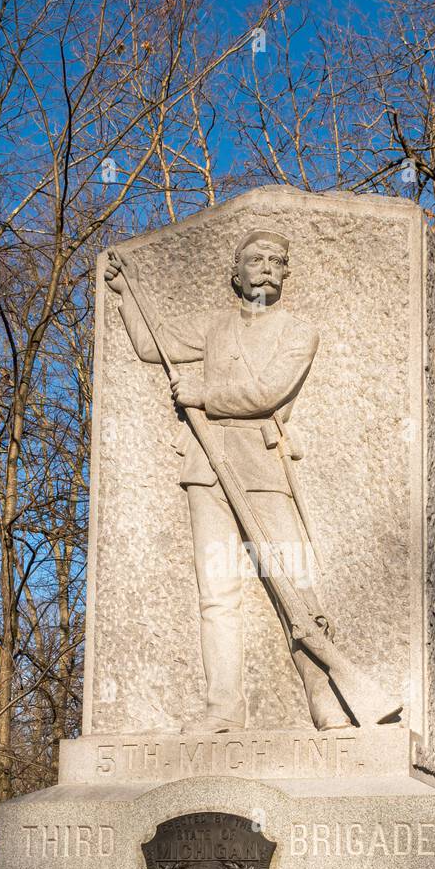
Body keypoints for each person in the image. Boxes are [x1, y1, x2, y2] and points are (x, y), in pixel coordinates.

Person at [105, 227, 351, 732]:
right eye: (254, 258)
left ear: (285, 273)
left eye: (275, 259)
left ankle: (326, 701)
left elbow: (266, 392)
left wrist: (201, 393)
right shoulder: (215, 327)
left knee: (294, 590)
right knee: (217, 594)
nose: (265, 265)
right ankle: (223, 709)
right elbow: (156, 345)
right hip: (207, 469)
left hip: (261, 469)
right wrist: (126, 292)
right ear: (234, 274)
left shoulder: (298, 332)